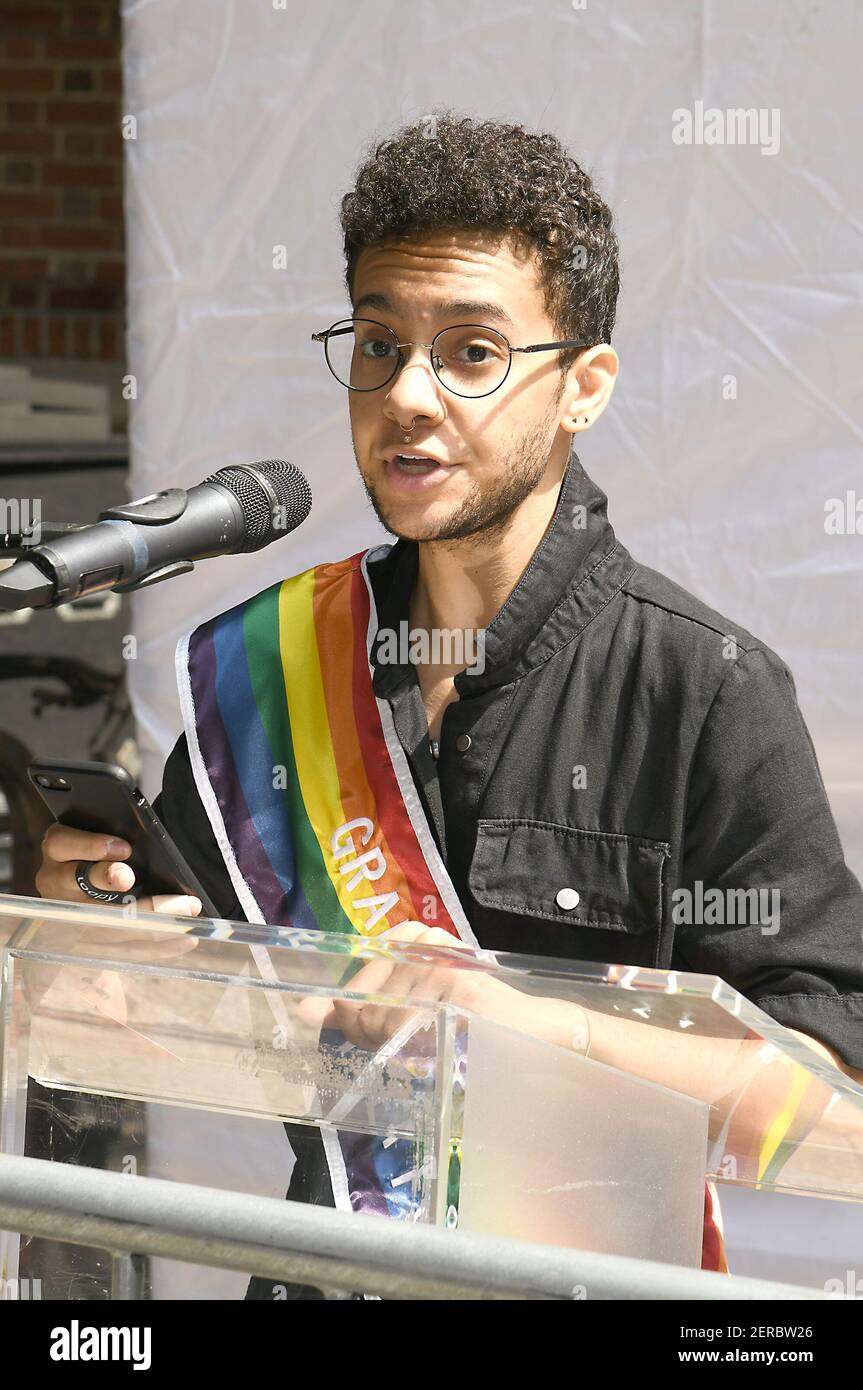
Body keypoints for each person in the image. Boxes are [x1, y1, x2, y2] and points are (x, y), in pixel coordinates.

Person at [36, 112, 863, 1295]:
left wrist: (531, 1030)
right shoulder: (269, 664)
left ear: (583, 386)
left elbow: (832, 1106)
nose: (407, 394)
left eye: (470, 351)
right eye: (377, 343)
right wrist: (100, 941)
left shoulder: (699, 687)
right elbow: (189, 997)